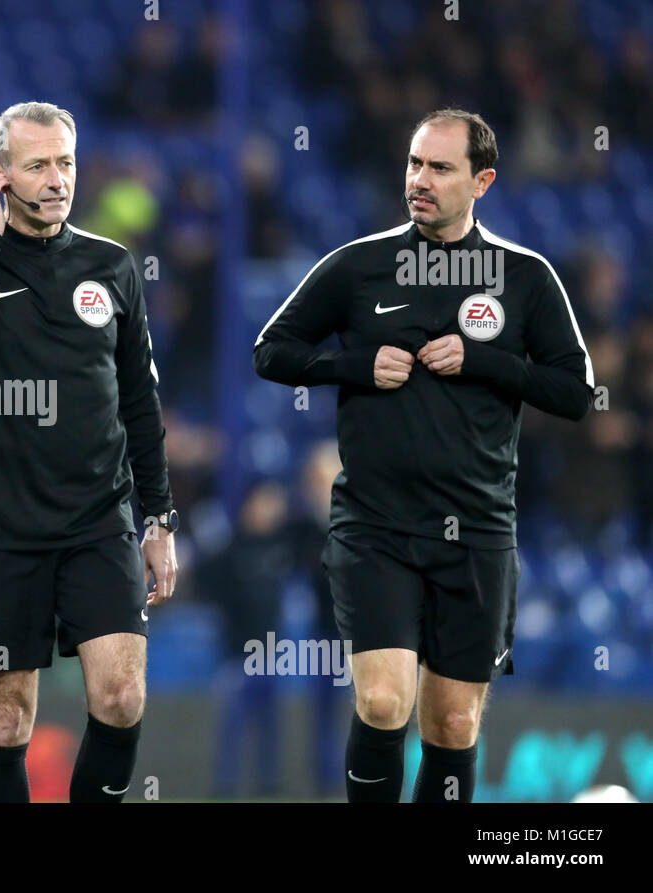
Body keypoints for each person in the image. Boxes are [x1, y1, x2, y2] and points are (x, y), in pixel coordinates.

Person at [253, 108, 593, 802]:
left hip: (476, 529)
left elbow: (577, 391)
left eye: (440, 168)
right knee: (383, 702)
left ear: (483, 180)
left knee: (454, 719)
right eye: (414, 163)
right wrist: (348, 366)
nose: (420, 179)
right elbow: (271, 350)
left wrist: (488, 362)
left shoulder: (524, 278)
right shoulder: (359, 265)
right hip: (376, 524)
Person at [0, 101, 177, 803]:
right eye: (38, 165)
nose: (58, 179)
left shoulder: (111, 266)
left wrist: (160, 518)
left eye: (66, 162)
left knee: (120, 695)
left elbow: (141, 405)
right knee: (6, 716)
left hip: (99, 517)